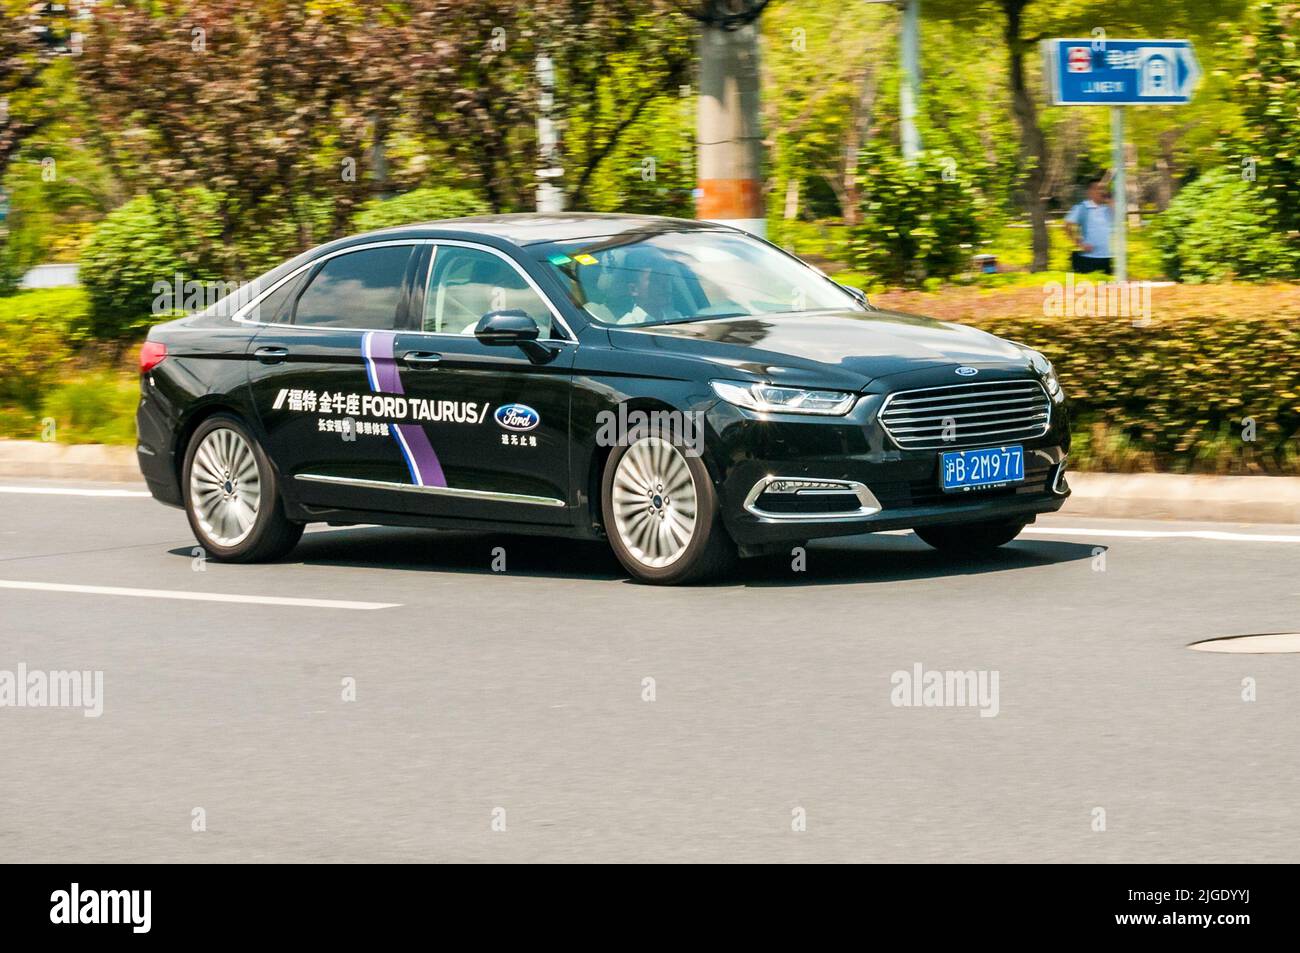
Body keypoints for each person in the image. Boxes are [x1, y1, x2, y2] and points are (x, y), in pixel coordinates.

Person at [1064, 178, 1113, 275]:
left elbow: (1119, 214)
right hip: (1088, 258)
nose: (1101, 192)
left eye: (1103, 189)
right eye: (1097, 189)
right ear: (1090, 192)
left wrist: (1109, 200)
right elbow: (1067, 226)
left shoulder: (1107, 209)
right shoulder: (1083, 207)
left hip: (1107, 257)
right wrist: (1080, 244)